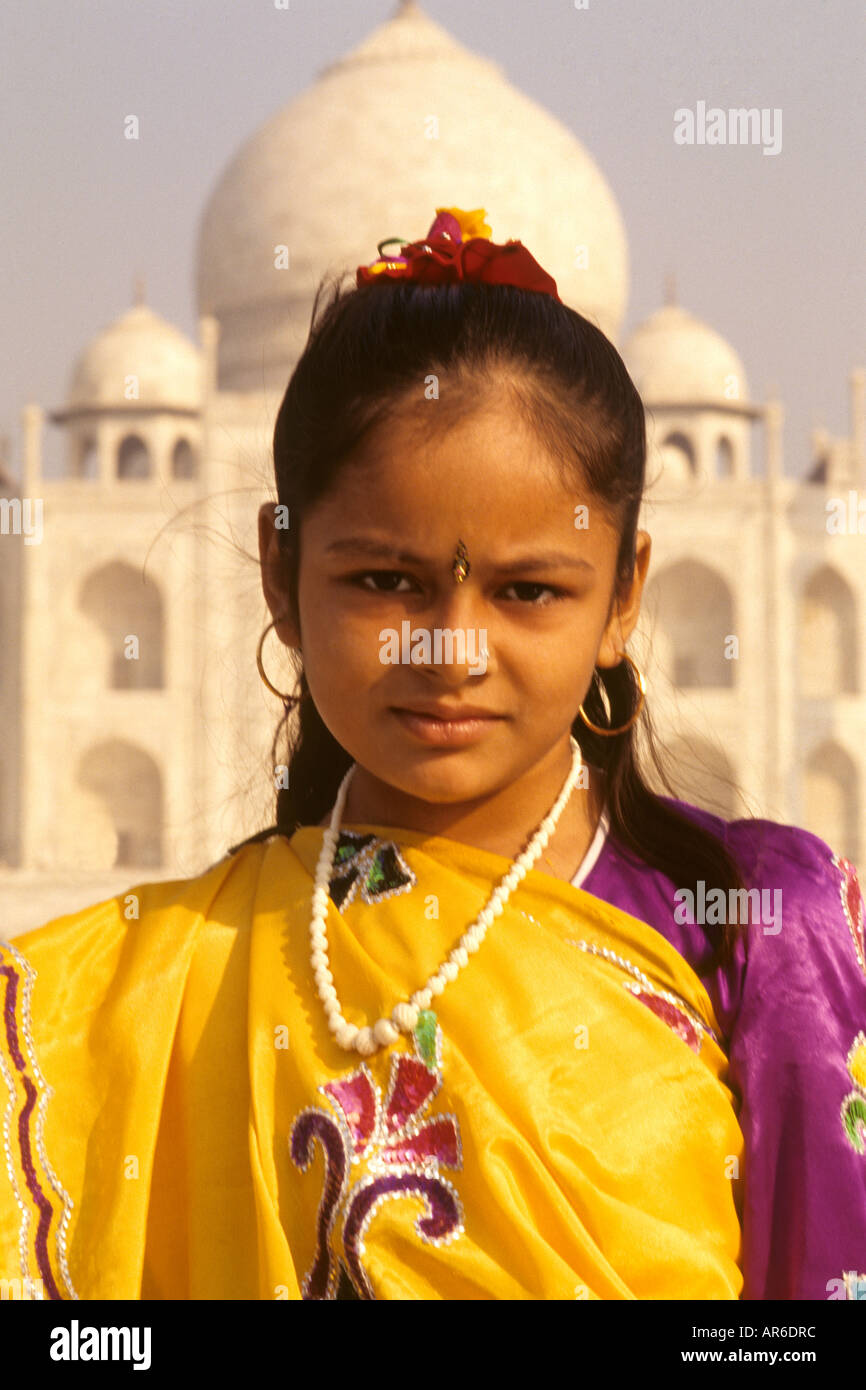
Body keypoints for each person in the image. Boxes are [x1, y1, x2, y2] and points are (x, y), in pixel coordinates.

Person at [2, 207, 865, 1302]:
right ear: (282, 573)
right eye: (384, 581)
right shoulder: (151, 978)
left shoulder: (757, 922)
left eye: (526, 591)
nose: (450, 648)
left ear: (622, 595)